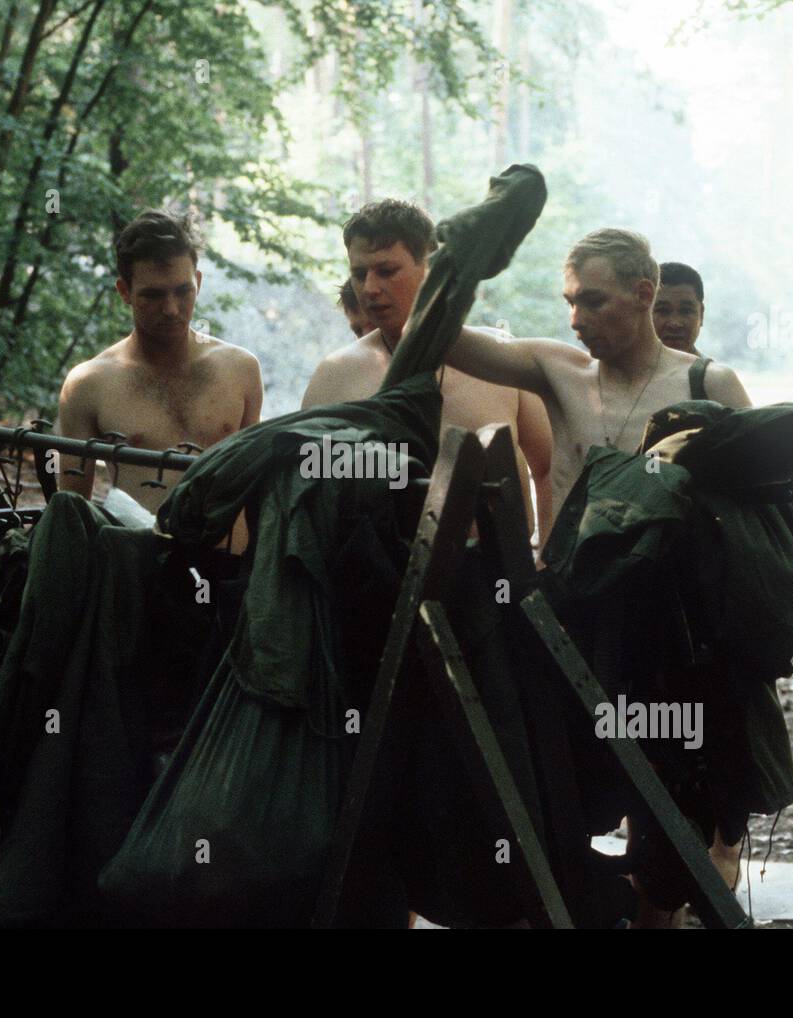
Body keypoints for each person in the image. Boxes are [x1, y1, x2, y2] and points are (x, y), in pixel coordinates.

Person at [442, 228, 751, 925]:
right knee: (553, 793)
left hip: (671, 642)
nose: (576, 318)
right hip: (566, 628)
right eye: (569, 301)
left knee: (668, 819)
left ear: (644, 295)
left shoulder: (709, 385)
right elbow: (442, 340)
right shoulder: (556, 371)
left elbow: (761, 526)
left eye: (593, 301)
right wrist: (461, 254)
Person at [302, 199, 554, 545]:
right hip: (383, 580)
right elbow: (309, 491)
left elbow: (549, 467)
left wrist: (547, 557)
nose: (370, 289)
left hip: (501, 579)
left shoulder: (502, 359)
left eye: (387, 271)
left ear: (430, 265)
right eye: (359, 274)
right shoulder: (335, 375)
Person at [57, 209, 262, 545]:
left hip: (230, 574)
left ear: (198, 282)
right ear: (124, 292)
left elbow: (258, 487)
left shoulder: (240, 369)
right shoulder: (90, 384)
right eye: (153, 295)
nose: (171, 308)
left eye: (183, 291)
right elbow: (71, 513)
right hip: (143, 572)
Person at [653, 262, 704, 355]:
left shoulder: (710, 369)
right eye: (663, 310)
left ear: (701, 314)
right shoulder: (621, 368)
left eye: (686, 311)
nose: (674, 324)